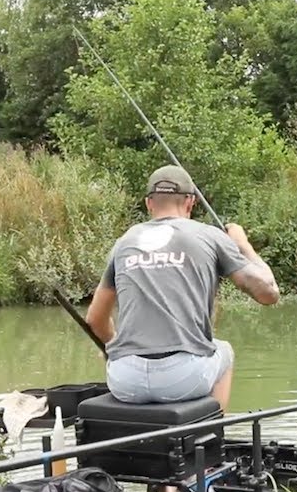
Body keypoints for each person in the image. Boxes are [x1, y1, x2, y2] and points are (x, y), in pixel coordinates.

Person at [85, 164, 280, 414]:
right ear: (190, 202)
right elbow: (269, 293)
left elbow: (95, 319)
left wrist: (117, 349)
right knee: (224, 351)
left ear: (149, 204)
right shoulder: (210, 236)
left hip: (125, 381)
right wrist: (243, 244)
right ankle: (211, 435)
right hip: (182, 380)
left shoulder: (123, 243)